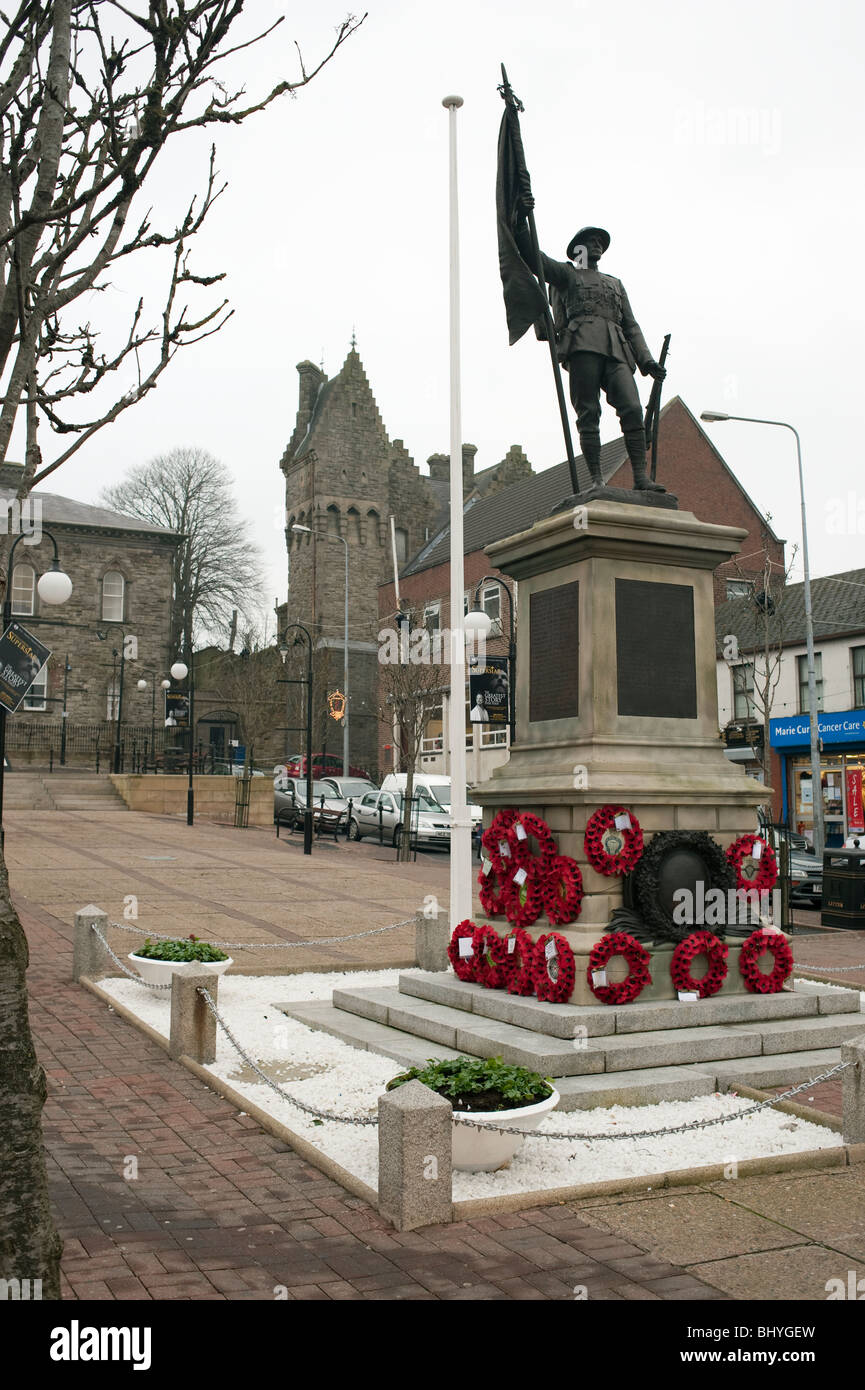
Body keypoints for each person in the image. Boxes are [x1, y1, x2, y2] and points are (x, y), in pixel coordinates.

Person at [516, 219, 666, 492]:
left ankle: (641, 478)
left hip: (617, 349)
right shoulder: (567, 275)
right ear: (578, 251)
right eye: (591, 241)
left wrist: (647, 360)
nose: (597, 245)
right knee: (589, 413)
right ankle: (596, 479)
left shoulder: (615, 284)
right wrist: (520, 219)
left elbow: (631, 325)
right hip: (582, 345)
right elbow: (532, 256)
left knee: (632, 408)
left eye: (600, 242)